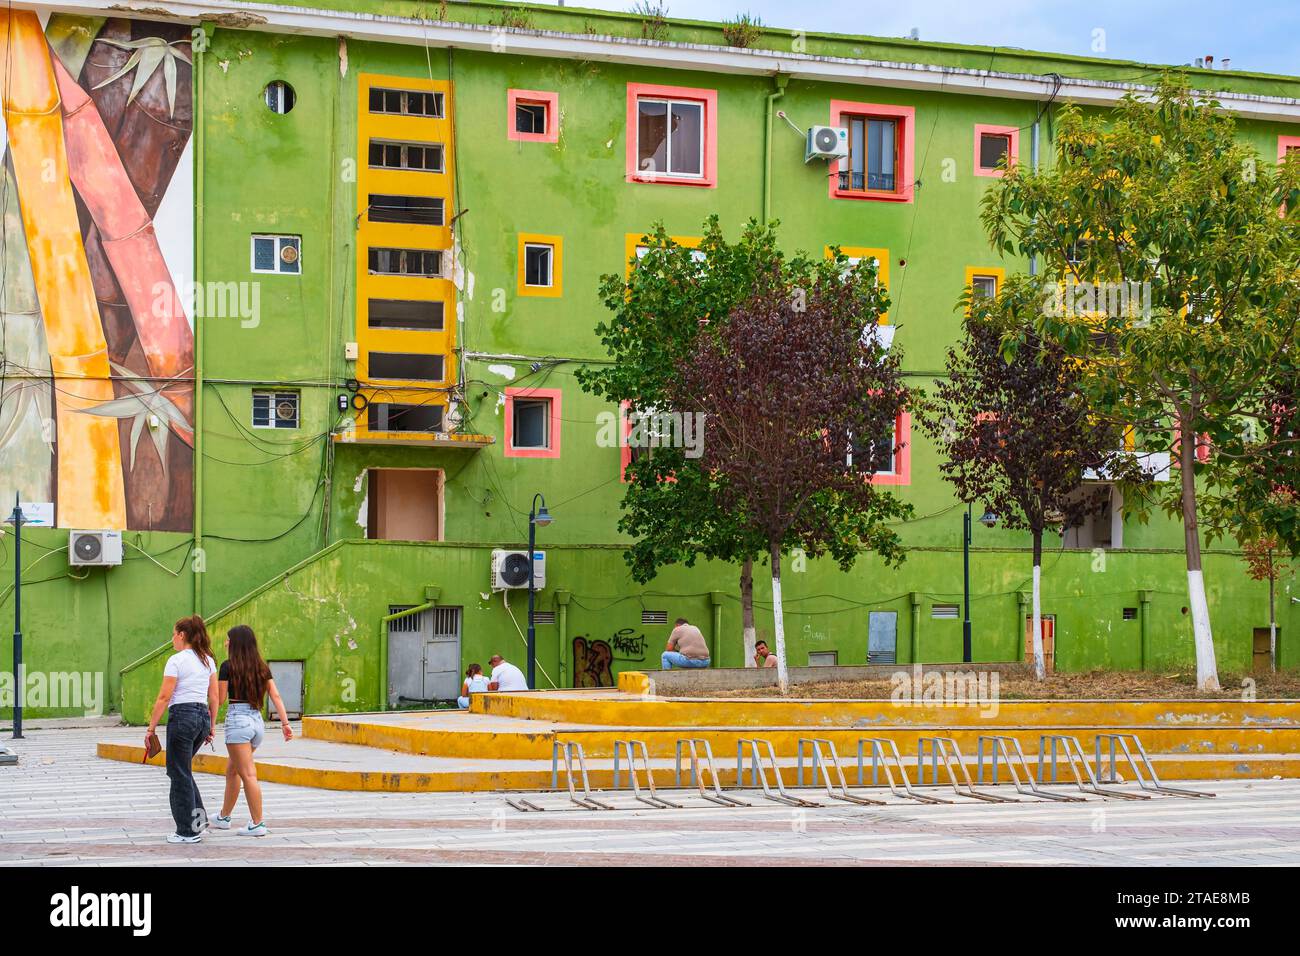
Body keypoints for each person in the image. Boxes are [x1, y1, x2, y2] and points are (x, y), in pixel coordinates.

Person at [211, 625, 292, 837]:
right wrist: (285, 724)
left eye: (228, 639)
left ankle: (257, 824)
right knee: (233, 770)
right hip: (257, 723)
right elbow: (276, 696)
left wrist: (209, 686)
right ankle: (224, 817)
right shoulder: (261, 667)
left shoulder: (227, 666)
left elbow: (219, 701)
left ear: (236, 643)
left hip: (238, 722)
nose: (225, 643)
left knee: (248, 774)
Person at [146, 615, 219, 844]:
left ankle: (187, 832)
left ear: (182, 635)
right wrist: (212, 725)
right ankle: (199, 822)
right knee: (183, 770)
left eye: (173, 634)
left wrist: (151, 728)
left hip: (183, 717)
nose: (172, 639)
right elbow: (214, 697)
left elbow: (164, 696)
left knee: (178, 773)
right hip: (202, 717)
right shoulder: (208, 660)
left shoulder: (176, 660)